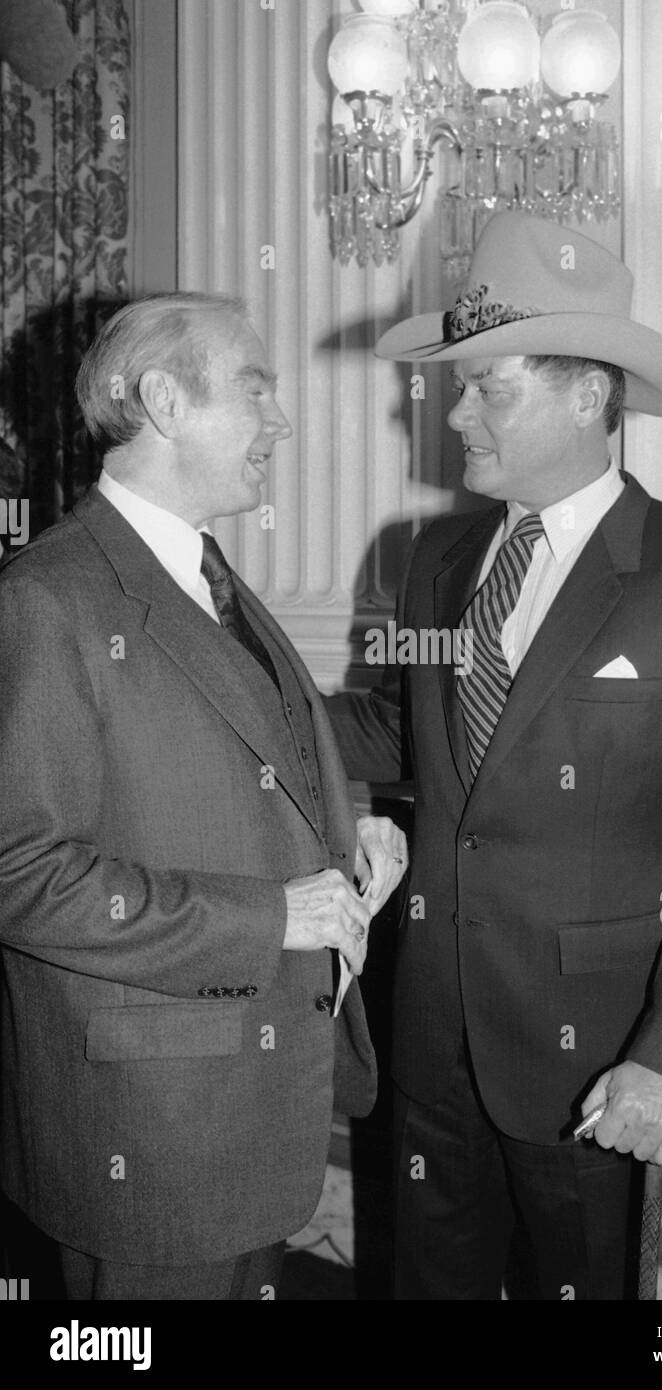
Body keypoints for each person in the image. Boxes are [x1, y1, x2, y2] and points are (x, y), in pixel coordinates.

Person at [325, 213, 662, 1300]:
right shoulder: (436, 560)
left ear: (588, 394)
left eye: (488, 387)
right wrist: (239, 705)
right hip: (431, 1032)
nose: (455, 412)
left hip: (594, 1057)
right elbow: (410, 734)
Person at [0, 292, 407, 1301]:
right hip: (148, 1133)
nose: (279, 422)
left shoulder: (204, 575)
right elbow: (18, 872)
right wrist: (275, 912)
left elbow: (225, 786)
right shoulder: (46, 598)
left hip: (239, 1112)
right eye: (256, 393)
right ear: (165, 400)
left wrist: (342, 857)